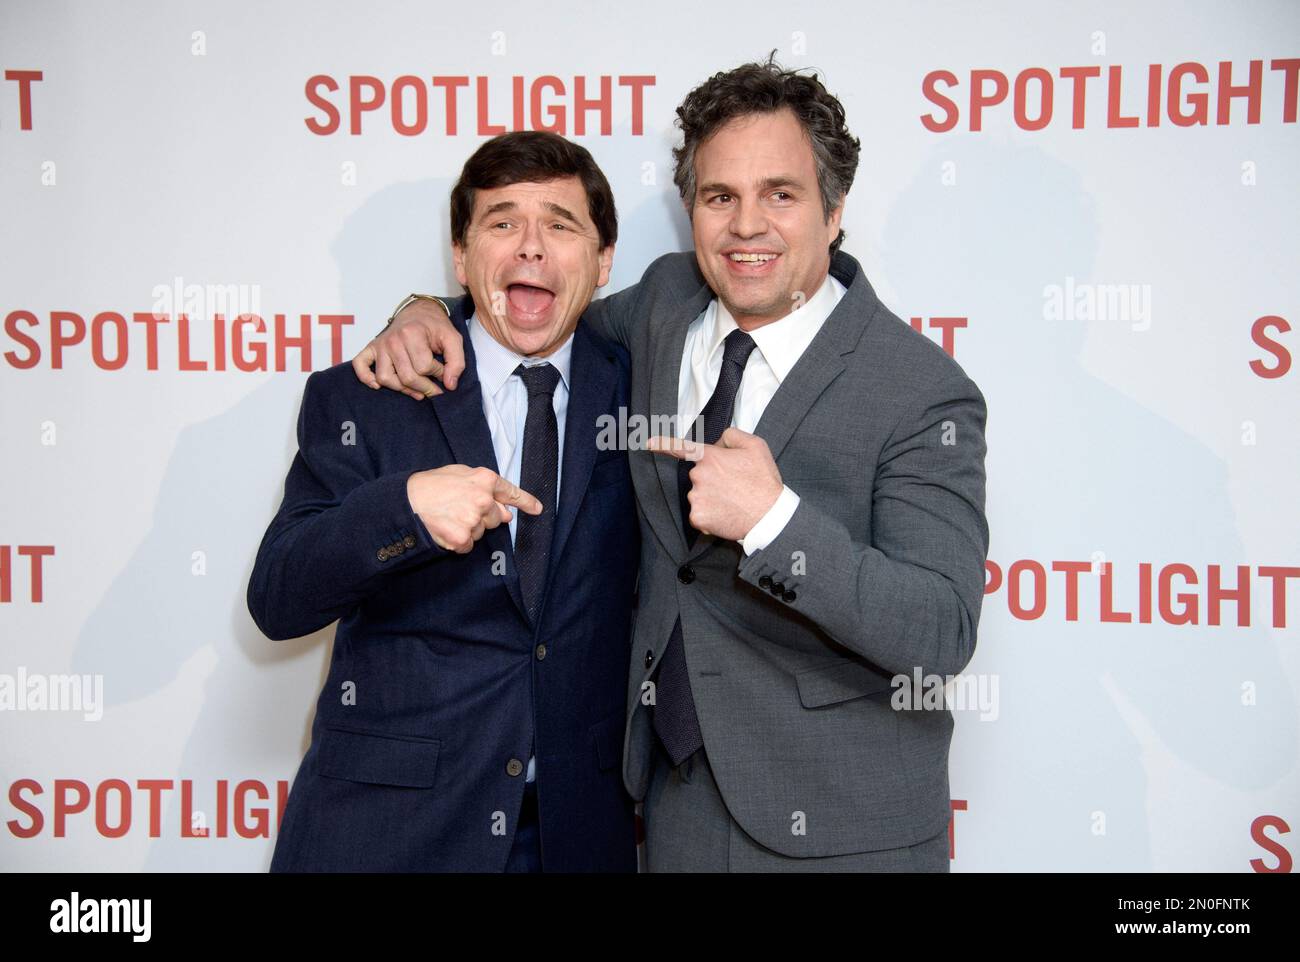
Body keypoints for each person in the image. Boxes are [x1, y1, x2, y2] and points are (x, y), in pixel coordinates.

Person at [354, 57, 989, 872]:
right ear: (691, 209)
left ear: (834, 212)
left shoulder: (921, 391)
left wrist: (773, 522)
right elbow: (534, 304)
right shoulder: (663, 302)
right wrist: (423, 312)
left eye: (781, 195)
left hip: (844, 828)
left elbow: (940, 631)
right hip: (675, 806)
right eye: (721, 197)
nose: (746, 226)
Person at [247, 131, 639, 872]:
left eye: (560, 224)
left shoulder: (647, 390)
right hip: (389, 833)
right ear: (460, 257)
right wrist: (405, 510)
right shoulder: (367, 392)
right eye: (502, 223)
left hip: (574, 836)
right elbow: (278, 599)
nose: (531, 248)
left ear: (604, 259)